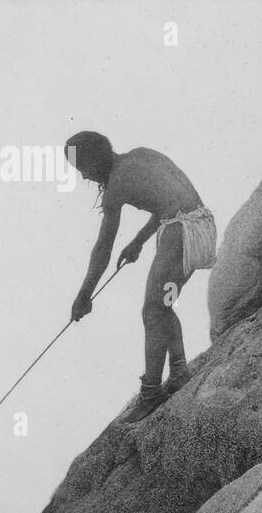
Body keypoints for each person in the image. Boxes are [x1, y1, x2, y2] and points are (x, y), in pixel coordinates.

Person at [65, 131, 216, 423]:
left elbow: (103, 248)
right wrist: (138, 241)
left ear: (96, 159)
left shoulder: (115, 188)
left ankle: (150, 393)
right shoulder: (141, 154)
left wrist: (84, 294)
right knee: (161, 307)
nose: (84, 177)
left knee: (152, 310)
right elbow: (168, 201)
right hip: (202, 224)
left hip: (181, 231)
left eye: (82, 168)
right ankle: (180, 372)